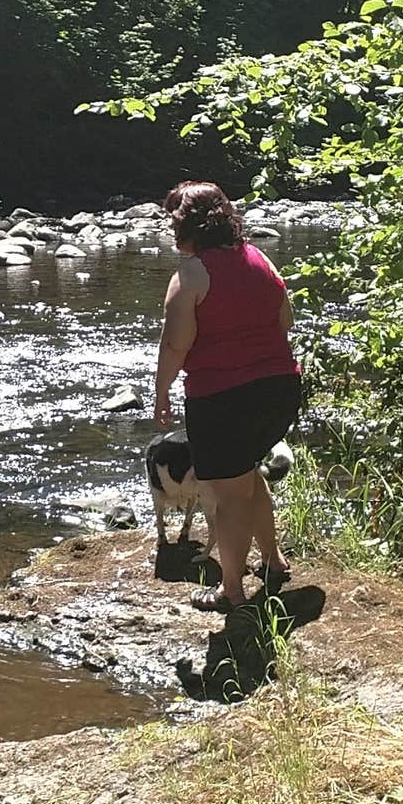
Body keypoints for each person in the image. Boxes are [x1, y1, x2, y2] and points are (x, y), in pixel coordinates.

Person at [151, 179, 301, 613]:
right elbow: (284, 321)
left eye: (173, 221)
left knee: (229, 493)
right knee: (245, 475)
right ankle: (273, 560)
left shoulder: (190, 275)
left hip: (223, 399)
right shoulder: (260, 258)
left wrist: (161, 393)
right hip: (280, 391)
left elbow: (175, 345)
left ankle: (231, 590)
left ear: (187, 226)